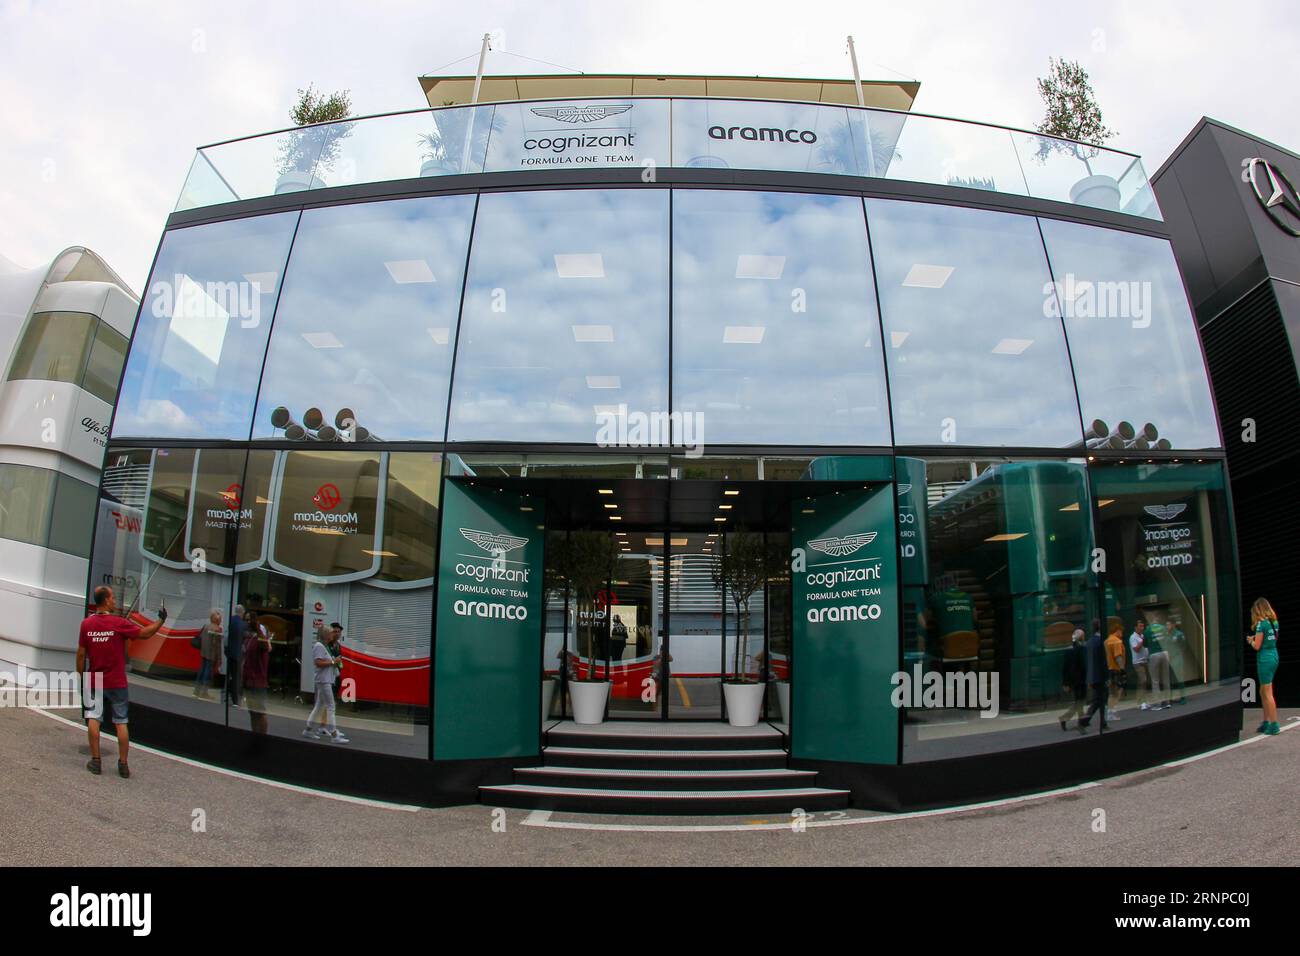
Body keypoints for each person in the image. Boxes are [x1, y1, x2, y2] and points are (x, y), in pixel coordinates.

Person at [76, 586, 167, 777]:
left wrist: (81, 675)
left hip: (95, 679)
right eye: (113, 598)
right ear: (107, 601)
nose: (115, 601)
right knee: (121, 722)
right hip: (117, 680)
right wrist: (161, 620)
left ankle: (96, 761)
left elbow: (81, 654)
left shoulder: (86, 624)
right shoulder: (119, 623)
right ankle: (123, 765)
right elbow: (145, 633)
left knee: (94, 718)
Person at [304, 625, 348, 743]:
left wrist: (333, 662)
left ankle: (308, 729)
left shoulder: (323, 646)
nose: (333, 634)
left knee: (319, 705)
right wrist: (334, 661)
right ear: (326, 635)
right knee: (331, 706)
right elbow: (318, 662)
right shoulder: (319, 646)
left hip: (325, 679)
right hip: (324, 680)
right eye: (331, 633)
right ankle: (334, 735)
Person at [1247, 598, 1281, 735]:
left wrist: (1251, 641)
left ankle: (1274, 724)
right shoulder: (1274, 622)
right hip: (1274, 655)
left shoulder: (1261, 624)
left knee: (1267, 693)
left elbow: (1257, 646)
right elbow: (1272, 639)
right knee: (1263, 691)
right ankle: (1266, 721)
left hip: (1265, 659)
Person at [242, 615, 273, 734]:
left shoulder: (261, 642)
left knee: (259, 712)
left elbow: (265, 645)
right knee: (252, 712)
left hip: (258, 682)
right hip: (250, 681)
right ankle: (255, 734)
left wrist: (258, 629)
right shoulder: (251, 640)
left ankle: (262, 736)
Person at [1078, 622, 1110, 732]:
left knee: (1099, 700)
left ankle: (1103, 722)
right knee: (1099, 701)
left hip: (1092, 675)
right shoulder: (1100, 642)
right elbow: (1103, 661)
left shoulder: (1090, 642)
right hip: (1100, 676)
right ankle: (1084, 721)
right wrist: (1107, 677)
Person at [1058, 628, 1088, 731]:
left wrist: (1065, 683)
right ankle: (1067, 718)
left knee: (1079, 700)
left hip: (1073, 680)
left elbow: (1065, 668)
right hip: (1081, 679)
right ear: (1081, 637)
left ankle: (1081, 720)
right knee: (1080, 700)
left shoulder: (1069, 649)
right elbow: (1084, 665)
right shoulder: (1082, 648)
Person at [194, 609, 223, 699]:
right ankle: (204, 692)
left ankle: (196, 691)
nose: (221, 620)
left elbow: (201, 638)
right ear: (217, 620)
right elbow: (218, 646)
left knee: (202, 670)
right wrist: (219, 659)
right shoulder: (217, 630)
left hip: (204, 652)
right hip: (211, 654)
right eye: (220, 619)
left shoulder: (206, 626)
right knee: (208, 672)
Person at [1146, 621, 1172, 710]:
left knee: (1155, 680)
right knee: (1166, 678)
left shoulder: (1148, 630)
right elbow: (1167, 639)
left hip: (1154, 654)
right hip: (1164, 653)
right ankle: (1167, 702)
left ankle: (1157, 704)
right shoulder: (1163, 627)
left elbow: (1145, 644)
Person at [224, 604, 246, 706]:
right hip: (237, 654)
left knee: (229, 675)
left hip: (230, 652)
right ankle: (235, 700)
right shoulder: (243, 624)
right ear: (242, 612)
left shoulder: (231, 620)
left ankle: (226, 696)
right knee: (236, 677)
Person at [1129, 618, 1152, 710]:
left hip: (1145, 661)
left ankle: (1142, 701)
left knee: (1142, 682)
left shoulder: (1142, 635)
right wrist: (1142, 641)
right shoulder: (1133, 637)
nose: (1142, 628)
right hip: (1138, 662)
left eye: (1143, 626)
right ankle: (1142, 702)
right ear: (1135, 628)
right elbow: (1136, 649)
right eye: (1140, 626)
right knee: (1143, 680)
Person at [1104, 622, 1126, 721]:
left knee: (1111, 692)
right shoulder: (1117, 642)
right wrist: (1122, 669)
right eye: (1121, 631)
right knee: (1117, 691)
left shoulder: (1106, 641)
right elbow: (1118, 656)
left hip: (1108, 669)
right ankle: (1112, 711)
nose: (1122, 634)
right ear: (1118, 631)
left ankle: (1110, 711)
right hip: (1116, 669)